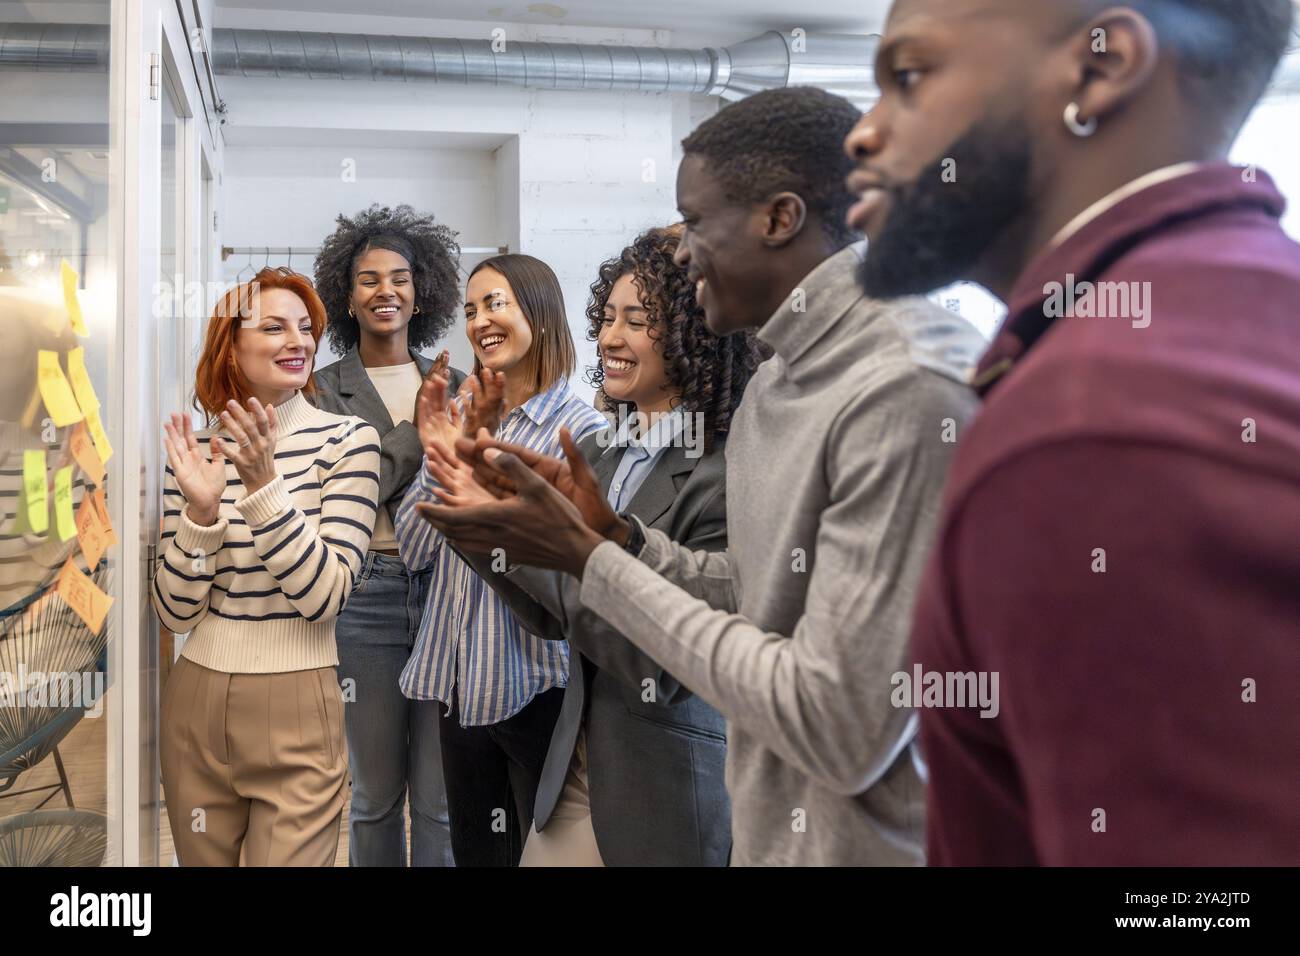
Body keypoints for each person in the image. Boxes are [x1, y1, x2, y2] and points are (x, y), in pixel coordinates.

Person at [416, 88, 987, 865]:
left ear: (778, 219)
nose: (681, 254)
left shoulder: (904, 385)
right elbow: (746, 592)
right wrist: (612, 536)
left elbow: (844, 728)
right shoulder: (778, 384)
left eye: (695, 223)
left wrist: (593, 557)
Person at [844, 0, 1300, 863]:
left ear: (1099, 67)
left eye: (909, 78)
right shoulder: (1232, 308)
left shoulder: (1096, 433)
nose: (863, 135)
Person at [430, 225, 763, 865]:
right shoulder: (603, 456)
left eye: (637, 320)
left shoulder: (724, 473)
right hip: (576, 764)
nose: (609, 338)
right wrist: (477, 521)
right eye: (607, 317)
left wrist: (559, 546)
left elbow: (662, 660)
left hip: (662, 779)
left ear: (695, 334)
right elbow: (547, 616)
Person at [153, 267, 380, 866]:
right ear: (233, 344)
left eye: (306, 328)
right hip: (196, 697)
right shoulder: (195, 451)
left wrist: (261, 485)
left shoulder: (350, 441)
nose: (298, 342)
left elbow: (325, 594)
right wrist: (200, 514)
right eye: (274, 327)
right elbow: (175, 611)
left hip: (299, 699)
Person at [394, 254, 608, 866]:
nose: (479, 320)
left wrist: (476, 487)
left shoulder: (582, 431)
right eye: (470, 309)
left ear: (538, 313)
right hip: (460, 682)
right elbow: (414, 544)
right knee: (476, 854)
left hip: (537, 687)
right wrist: (455, 456)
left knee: (542, 856)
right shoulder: (460, 417)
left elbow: (567, 575)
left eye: (495, 303)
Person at [312, 204, 466, 867]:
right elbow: (349, 490)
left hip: (448, 593)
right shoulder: (321, 392)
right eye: (369, 280)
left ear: (420, 289)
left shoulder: (456, 384)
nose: (386, 292)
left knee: (439, 799)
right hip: (365, 596)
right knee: (374, 793)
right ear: (346, 297)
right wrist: (417, 439)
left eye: (399, 278)